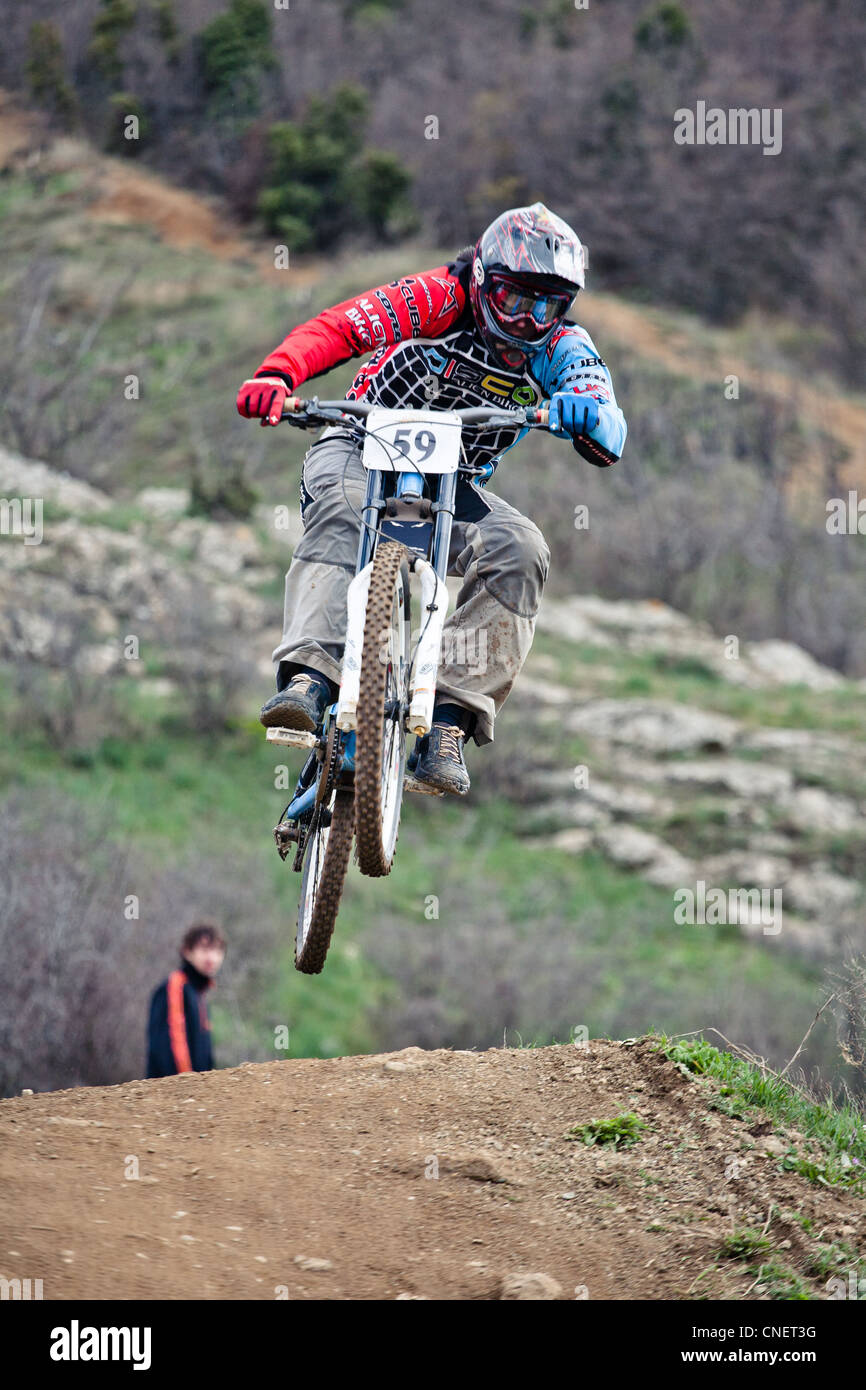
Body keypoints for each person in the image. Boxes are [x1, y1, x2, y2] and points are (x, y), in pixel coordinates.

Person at [237, 202, 626, 795]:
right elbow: (341, 327)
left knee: (519, 548)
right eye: (515, 299)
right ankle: (310, 680)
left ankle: (448, 720)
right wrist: (278, 376)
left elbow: (606, 419)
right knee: (344, 512)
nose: (527, 320)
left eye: (546, 305)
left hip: (454, 486)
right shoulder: (435, 299)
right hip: (359, 446)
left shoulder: (560, 348)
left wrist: (587, 414)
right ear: (482, 280)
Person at [146, 923, 226, 1078]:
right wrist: (188, 1089)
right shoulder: (175, 987)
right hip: (173, 1095)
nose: (212, 958)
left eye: (217, 950)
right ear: (187, 952)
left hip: (196, 1095)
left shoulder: (199, 993)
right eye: (204, 950)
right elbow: (170, 1045)